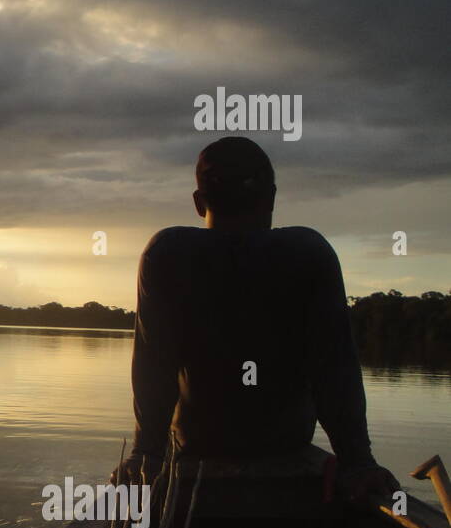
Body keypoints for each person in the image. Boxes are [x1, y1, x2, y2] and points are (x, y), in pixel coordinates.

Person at [119, 136, 397, 506]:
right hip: (283, 441)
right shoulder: (309, 252)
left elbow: (154, 364)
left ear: (199, 203)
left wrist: (147, 455)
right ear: (272, 198)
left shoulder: (167, 252)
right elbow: (335, 369)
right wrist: (358, 461)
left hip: (199, 440)